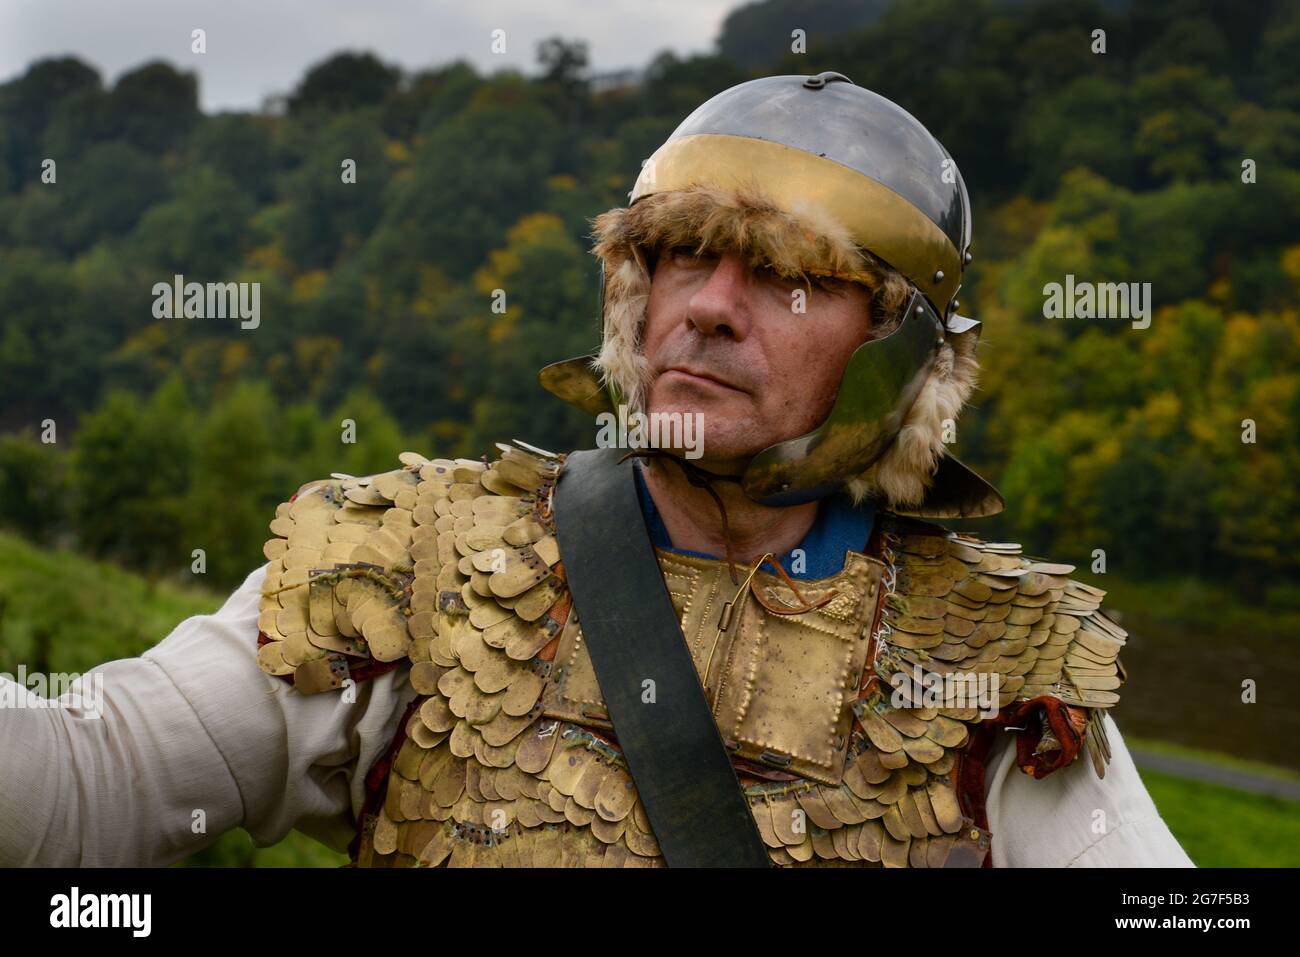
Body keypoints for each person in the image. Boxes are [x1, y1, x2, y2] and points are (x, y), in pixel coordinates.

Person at [0, 73, 1192, 868]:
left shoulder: (994, 669)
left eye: (790, 277)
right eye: (678, 256)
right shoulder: (411, 562)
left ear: (898, 345)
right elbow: (84, 777)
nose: (711, 310)